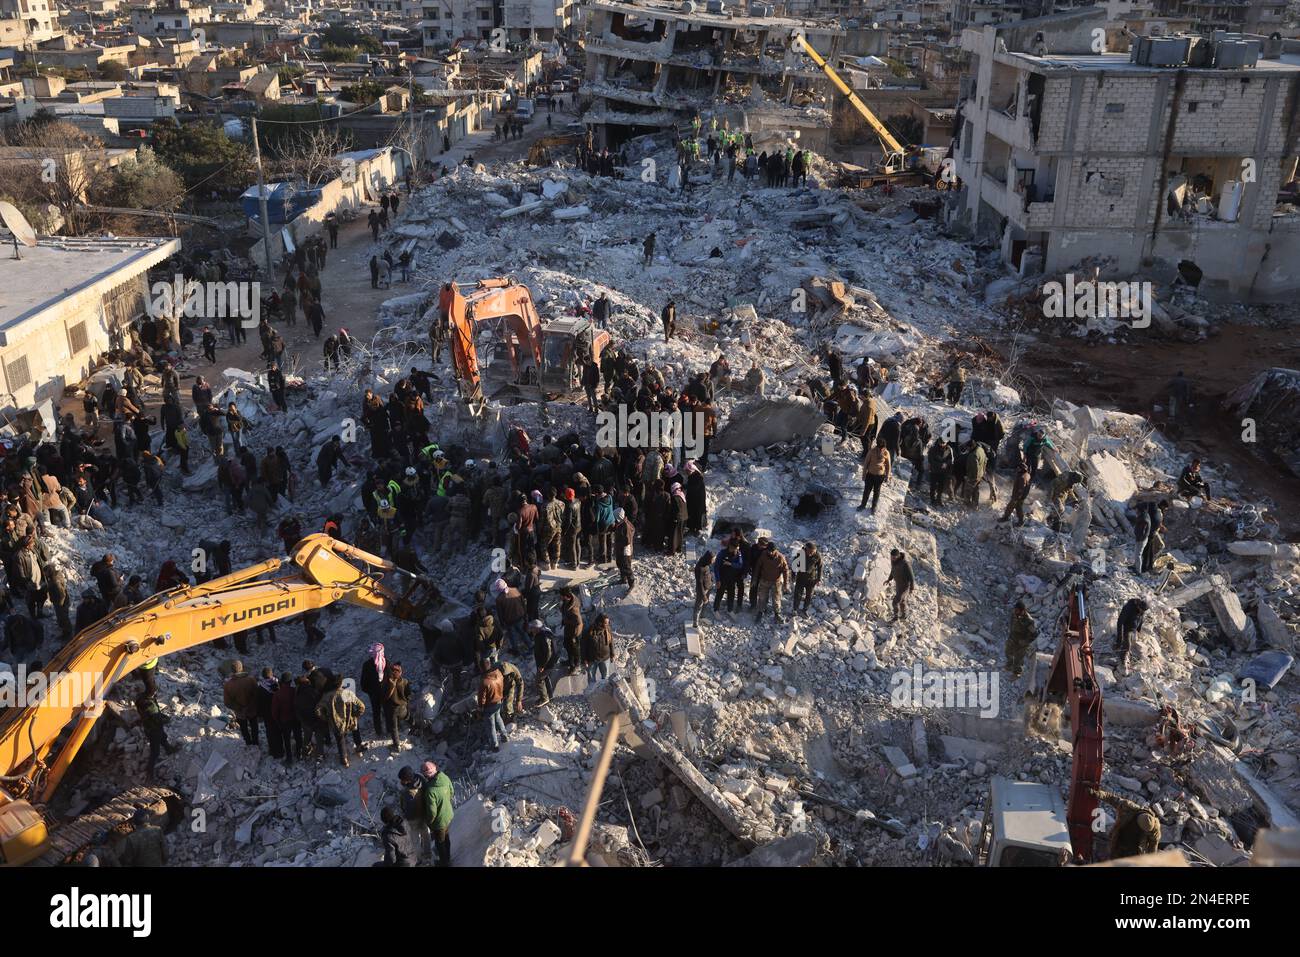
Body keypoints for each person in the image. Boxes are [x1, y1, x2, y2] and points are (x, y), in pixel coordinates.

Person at [1089, 787, 1161, 858]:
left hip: (1136, 850)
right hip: (1121, 837)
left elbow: (1153, 845)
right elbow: (1111, 798)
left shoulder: (1154, 828)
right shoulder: (1128, 808)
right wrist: (1097, 793)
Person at [316, 673, 366, 767]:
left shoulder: (327, 696)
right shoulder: (347, 693)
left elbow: (317, 710)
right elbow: (362, 706)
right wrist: (355, 715)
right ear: (341, 683)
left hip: (336, 723)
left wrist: (326, 718)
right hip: (350, 721)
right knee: (356, 730)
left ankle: (344, 759)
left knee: (340, 740)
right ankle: (359, 747)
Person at [420, 760, 455, 866]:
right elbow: (452, 792)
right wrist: (444, 804)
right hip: (448, 815)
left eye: (424, 771)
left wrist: (429, 822)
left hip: (438, 822)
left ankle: (444, 863)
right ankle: (448, 857)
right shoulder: (444, 777)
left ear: (425, 774)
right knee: (446, 838)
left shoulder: (430, 790)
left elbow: (432, 812)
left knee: (440, 843)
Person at [135, 690, 176, 779]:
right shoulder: (150, 705)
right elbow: (157, 719)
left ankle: (169, 750)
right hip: (154, 730)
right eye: (154, 692)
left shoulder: (141, 700)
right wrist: (167, 719)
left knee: (163, 738)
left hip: (149, 728)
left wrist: (162, 715)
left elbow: (154, 715)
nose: (155, 693)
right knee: (155, 752)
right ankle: (149, 772)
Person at [223, 660, 259, 746]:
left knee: (244, 729)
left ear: (232, 670)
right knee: (254, 727)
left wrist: (239, 708)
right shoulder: (251, 680)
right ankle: (256, 743)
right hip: (252, 710)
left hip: (240, 713)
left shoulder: (228, 685)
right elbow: (257, 695)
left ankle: (248, 743)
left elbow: (227, 702)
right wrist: (251, 705)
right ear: (242, 668)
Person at [753, 540, 790, 623]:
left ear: (775, 550)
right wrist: (755, 579)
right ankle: (760, 612)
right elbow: (758, 567)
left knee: (776, 598)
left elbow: (786, 570)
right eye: (769, 551)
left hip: (776, 581)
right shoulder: (763, 555)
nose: (770, 553)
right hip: (764, 580)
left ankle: (777, 614)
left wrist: (785, 584)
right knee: (762, 597)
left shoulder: (780, 558)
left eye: (772, 551)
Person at [477, 660, 508, 751]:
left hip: (489, 705)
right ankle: (504, 735)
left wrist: (480, 709)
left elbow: (481, 698)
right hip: (499, 701)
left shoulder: (484, 682)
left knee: (491, 726)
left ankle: (495, 746)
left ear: (481, 668)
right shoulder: (498, 673)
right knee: (498, 718)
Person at [380, 661, 411, 750]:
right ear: (401, 673)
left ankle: (396, 745)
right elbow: (409, 695)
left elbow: (384, 698)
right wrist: (407, 704)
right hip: (402, 707)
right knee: (404, 717)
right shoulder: (405, 681)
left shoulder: (387, 683)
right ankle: (413, 726)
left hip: (392, 709)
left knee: (394, 728)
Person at [360, 641, 387, 737]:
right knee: (387, 710)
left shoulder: (366, 665)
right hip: (386, 693)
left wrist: (370, 692)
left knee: (376, 713)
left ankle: (379, 731)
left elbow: (363, 683)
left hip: (374, 695)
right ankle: (390, 729)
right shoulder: (386, 662)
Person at [1116, 597, 1148, 675]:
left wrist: (1139, 628)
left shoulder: (1141, 609)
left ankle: (1127, 654)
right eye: (1141, 610)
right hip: (1127, 627)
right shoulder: (1128, 608)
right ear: (1138, 606)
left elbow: (1141, 618)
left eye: (1143, 611)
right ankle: (1122, 661)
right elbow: (1120, 622)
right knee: (1127, 645)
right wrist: (1119, 638)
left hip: (1133, 629)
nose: (1142, 612)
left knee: (1131, 644)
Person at [1005, 601, 1037, 678]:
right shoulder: (1014, 615)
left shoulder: (1029, 621)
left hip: (1022, 642)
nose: (1015, 611)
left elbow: (1034, 635)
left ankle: (1017, 673)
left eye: (1017, 610)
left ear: (1023, 611)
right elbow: (1012, 624)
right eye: (1015, 610)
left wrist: (1024, 642)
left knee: (1018, 658)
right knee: (1008, 651)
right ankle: (1009, 665)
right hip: (1013, 638)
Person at [859, 438, 891, 511]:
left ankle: (874, 506)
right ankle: (863, 505)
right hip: (870, 475)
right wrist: (864, 475)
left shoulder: (886, 453)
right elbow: (866, 463)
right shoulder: (872, 451)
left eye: (883, 448)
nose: (881, 449)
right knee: (867, 491)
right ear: (877, 446)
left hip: (880, 476)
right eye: (880, 448)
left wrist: (887, 476)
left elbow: (888, 465)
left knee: (876, 492)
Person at [582, 612, 614, 681]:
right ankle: (591, 691)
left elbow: (611, 642)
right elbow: (583, 646)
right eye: (606, 623)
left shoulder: (607, 629)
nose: (607, 624)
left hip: (605, 658)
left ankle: (604, 691)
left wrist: (612, 654)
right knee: (591, 679)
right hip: (592, 659)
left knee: (605, 679)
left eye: (608, 623)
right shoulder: (588, 631)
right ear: (600, 623)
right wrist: (584, 659)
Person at [999, 461, 1032, 526]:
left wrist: (1016, 498)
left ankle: (1006, 518)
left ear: (1021, 469)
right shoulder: (1027, 475)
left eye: (1018, 468)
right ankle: (1021, 521)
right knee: (1018, 508)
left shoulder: (1022, 477)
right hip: (1022, 496)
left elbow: (1021, 489)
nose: (1017, 469)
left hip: (1017, 496)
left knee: (1010, 507)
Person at [792, 541, 821, 615]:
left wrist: (818, 579)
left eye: (813, 552)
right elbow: (794, 565)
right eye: (810, 551)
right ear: (806, 549)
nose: (811, 553)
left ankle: (805, 610)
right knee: (798, 594)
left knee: (809, 595)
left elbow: (820, 567)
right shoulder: (800, 554)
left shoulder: (817, 556)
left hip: (811, 579)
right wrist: (793, 576)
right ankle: (795, 609)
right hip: (800, 578)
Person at [885, 549, 914, 622]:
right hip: (898, 585)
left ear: (898, 556)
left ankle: (895, 617)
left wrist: (911, 588)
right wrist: (889, 580)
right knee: (902, 601)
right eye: (891, 557)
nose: (892, 559)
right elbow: (893, 571)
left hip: (905, 586)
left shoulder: (905, 564)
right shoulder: (894, 561)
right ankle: (904, 615)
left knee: (895, 601)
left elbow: (911, 577)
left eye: (894, 557)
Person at [692, 550, 714, 626]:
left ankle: (702, 617)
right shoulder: (700, 568)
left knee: (705, 604)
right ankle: (695, 623)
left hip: (708, 586)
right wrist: (703, 596)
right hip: (702, 590)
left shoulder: (706, 563)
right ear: (708, 559)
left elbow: (708, 573)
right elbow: (699, 583)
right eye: (712, 559)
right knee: (698, 606)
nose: (713, 561)